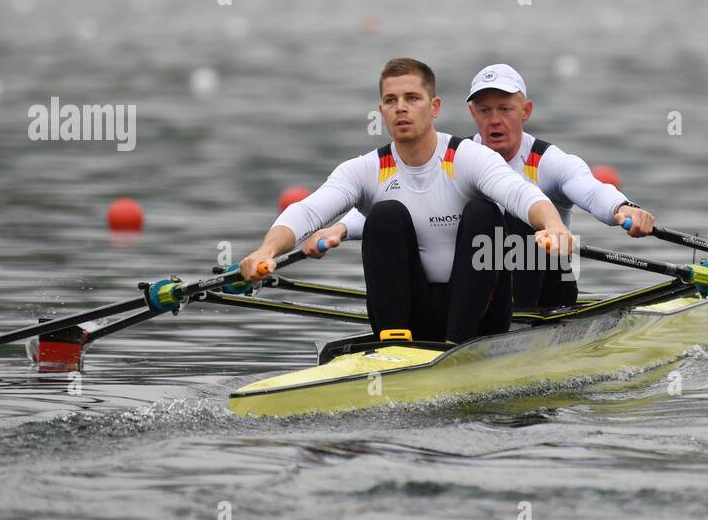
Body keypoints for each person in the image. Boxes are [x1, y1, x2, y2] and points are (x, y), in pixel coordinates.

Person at [238, 58, 573, 344]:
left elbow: (521, 193)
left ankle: (456, 346)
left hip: (481, 317)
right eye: (390, 100)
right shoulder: (365, 169)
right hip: (415, 315)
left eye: (412, 98)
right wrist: (265, 251)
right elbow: (308, 211)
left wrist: (553, 224)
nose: (401, 107)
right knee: (384, 215)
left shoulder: (467, 157)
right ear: (381, 110)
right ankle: (395, 345)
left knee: (483, 212)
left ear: (435, 106)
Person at [330, 63, 654, 308]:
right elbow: (400, 203)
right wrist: (339, 230)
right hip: (479, 292)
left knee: (516, 216)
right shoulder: (459, 159)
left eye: (505, 109)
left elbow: (592, 189)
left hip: (545, 293)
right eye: (485, 110)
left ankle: (504, 328)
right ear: (473, 113)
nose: (494, 120)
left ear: (525, 111)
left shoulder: (548, 161)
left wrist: (624, 208)